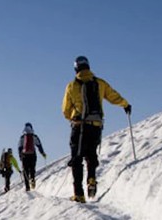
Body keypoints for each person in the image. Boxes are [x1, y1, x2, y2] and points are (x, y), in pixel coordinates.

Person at [61, 55, 131, 202]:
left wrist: (73, 117)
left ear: (76, 68)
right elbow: (113, 96)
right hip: (96, 126)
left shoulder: (71, 86)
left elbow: (65, 111)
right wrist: (125, 104)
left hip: (79, 127)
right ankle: (91, 178)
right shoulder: (99, 83)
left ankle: (79, 194)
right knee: (91, 154)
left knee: (77, 159)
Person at [17, 123, 46, 191]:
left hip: (24, 155)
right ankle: (32, 178)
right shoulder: (34, 136)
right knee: (32, 168)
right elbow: (39, 145)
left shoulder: (22, 137)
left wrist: (20, 156)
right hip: (32, 154)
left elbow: (19, 147)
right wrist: (43, 153)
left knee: (25, 171)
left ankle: (27, 186)